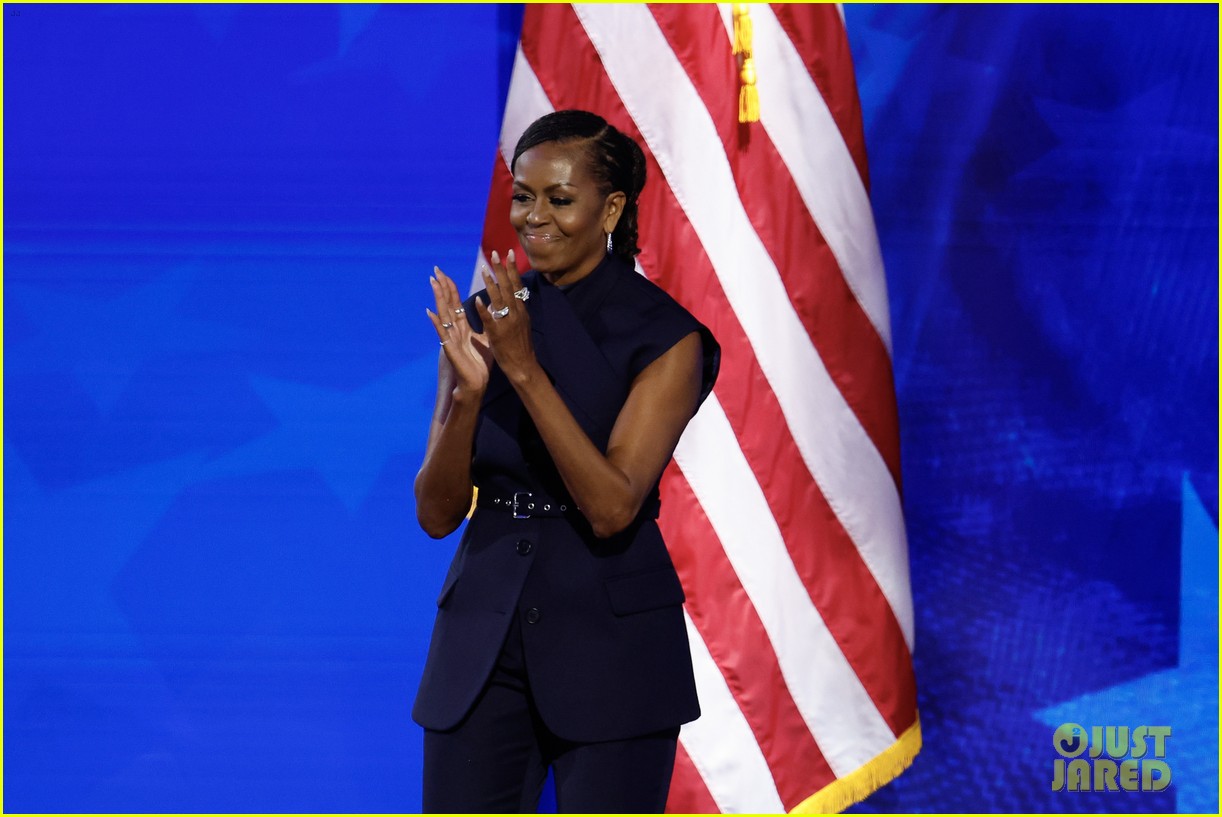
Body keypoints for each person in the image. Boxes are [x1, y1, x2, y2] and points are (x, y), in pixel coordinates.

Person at [411, 109, 720, 813]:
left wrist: (524, 373)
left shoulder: (668, 339)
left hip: (611, 641)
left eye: (559, 198)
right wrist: (467, 394)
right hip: (481, 641)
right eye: (523, 196)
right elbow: (434, 513)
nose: (533, 217)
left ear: (610, 207)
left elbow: (614, 507)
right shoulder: (485, 318)